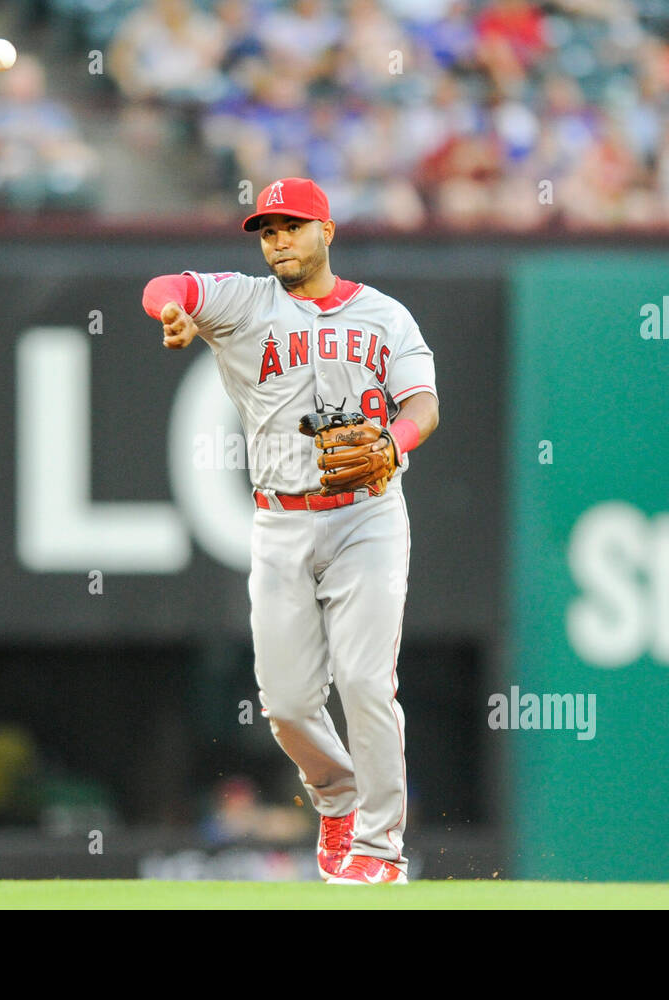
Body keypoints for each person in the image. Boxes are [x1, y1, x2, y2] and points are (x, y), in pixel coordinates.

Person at [141, 177, 439, 883]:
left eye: (292, 227)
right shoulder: (245, 302)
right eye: (267, 230)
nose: (278, 240)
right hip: (281, 521)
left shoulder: (385, 316)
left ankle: (378, 848)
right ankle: (335, 798)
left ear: (326, 232)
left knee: (366, 679)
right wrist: (176, 313)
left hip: (367, 513)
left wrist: (395, 443)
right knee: (287, 703)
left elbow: (424, 404)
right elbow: (164, 284)